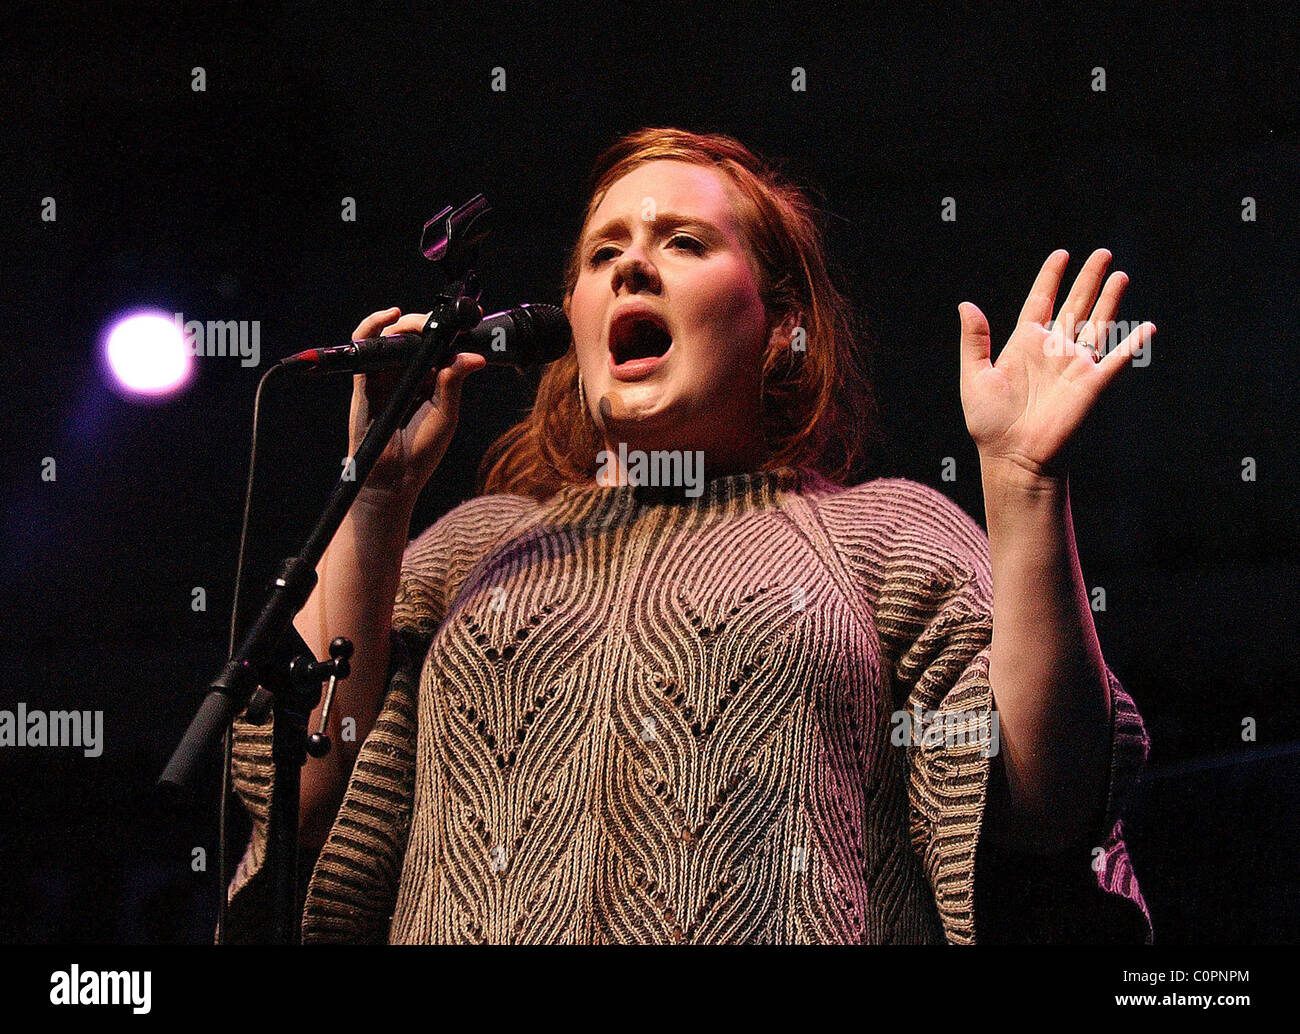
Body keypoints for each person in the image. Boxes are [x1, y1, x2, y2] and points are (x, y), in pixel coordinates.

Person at [220, 127, 1155, 944]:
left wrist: (1025, 487)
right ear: (573, 322)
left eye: (685, 242)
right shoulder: (473, 550)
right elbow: (302, 798)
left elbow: (1049, 795)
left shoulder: (884, 539)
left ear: (779, 324)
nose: (632, 266)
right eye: (601, 254)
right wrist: (378, 496)